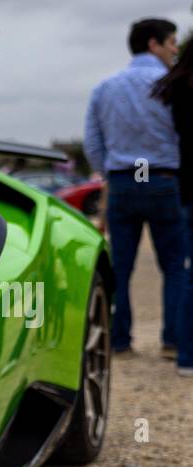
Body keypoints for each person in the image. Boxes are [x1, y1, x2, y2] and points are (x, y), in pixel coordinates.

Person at [84, 18, 185, 356]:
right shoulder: (173, 85)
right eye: (172, 42)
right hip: (164, 178)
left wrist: (108, 173)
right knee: (173, 265)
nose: (176, 49)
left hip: (125, 180)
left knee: (120, 267)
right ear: (154, 44)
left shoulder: (105, 87)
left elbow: (93, 143)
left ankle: (120, 340)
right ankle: (173, 339)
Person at [152, 32, 193, 376]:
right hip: (171, 180)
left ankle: (185, 355)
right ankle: (174, 343)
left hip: (185, 183)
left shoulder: (174, 86)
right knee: (175, 269)